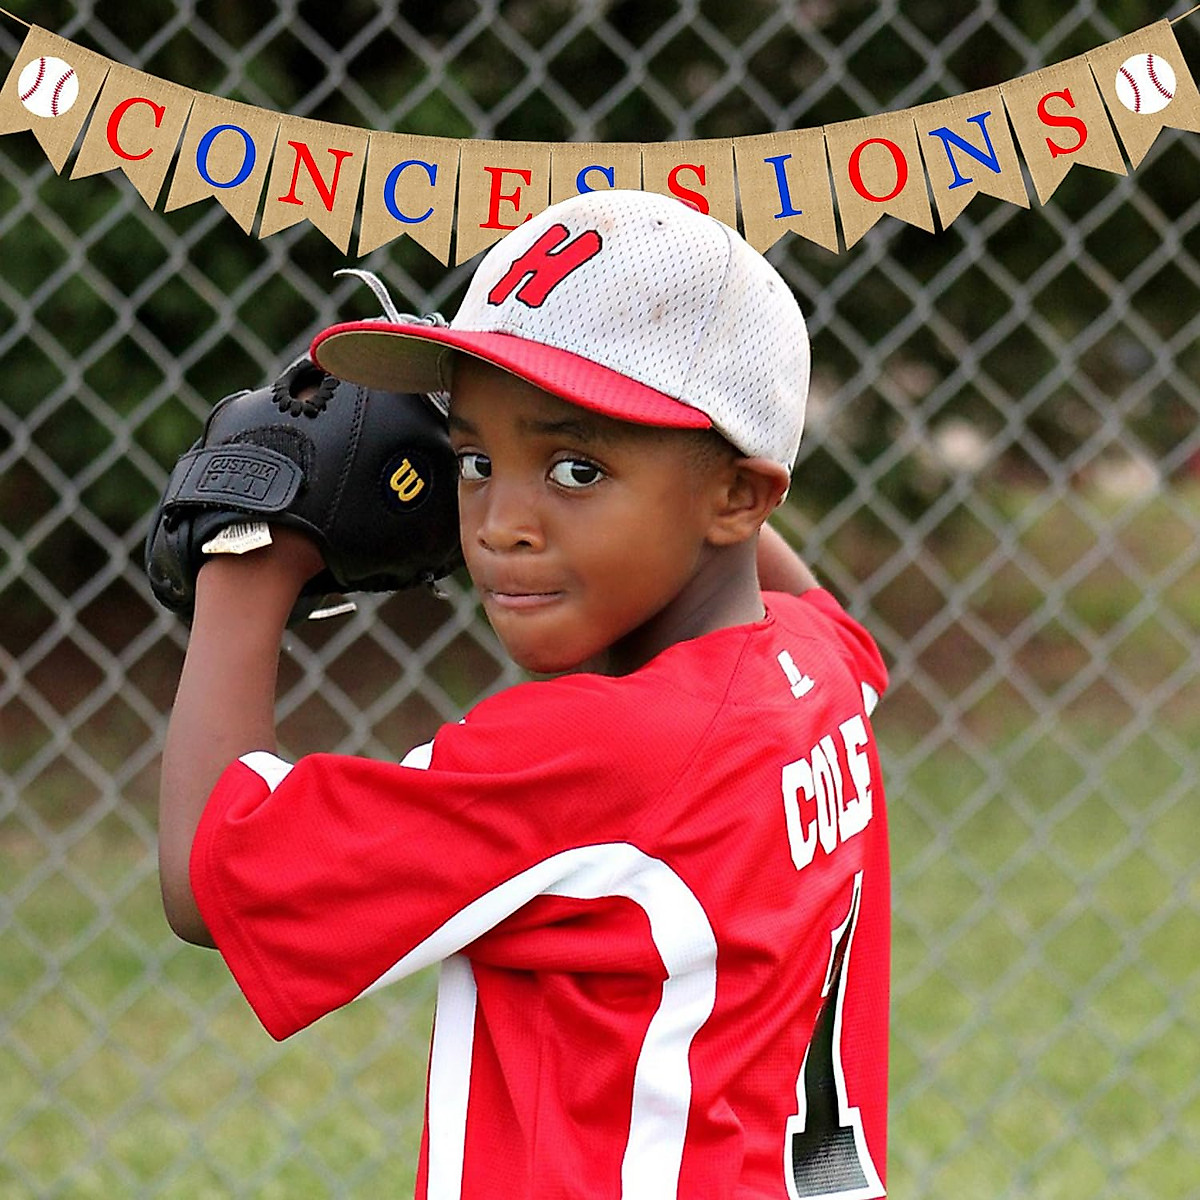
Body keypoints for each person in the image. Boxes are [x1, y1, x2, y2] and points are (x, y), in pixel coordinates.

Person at [157, 188, 890, 1200]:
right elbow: (814, 603)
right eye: (474, 459)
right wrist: (614, 480)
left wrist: (248, 560)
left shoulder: (597, 754)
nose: (500, 522)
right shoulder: (816, 674)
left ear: (740, 498)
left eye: (576, 468)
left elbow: (212, 877)